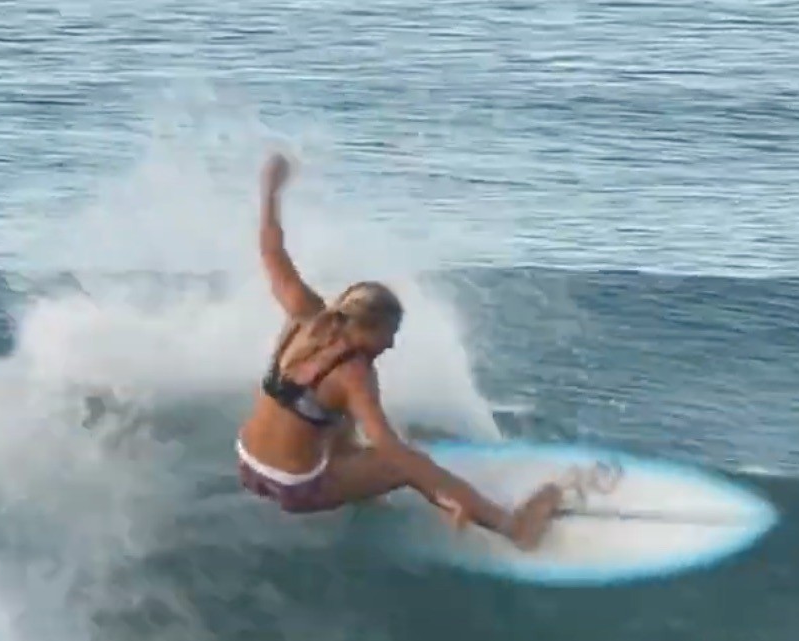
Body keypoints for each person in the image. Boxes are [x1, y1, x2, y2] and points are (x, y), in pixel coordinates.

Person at [235, 152, 565, 548]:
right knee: (407, 462)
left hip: (247, 463)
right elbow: (393, 451)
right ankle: (514, 528)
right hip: (294, 487)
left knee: (334, 418)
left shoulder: (304, 313)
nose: (391, 344)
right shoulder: (355, 373)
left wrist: (270, 187)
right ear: (368, 329)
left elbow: (271, 251)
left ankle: (360, 485)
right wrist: (443, 496)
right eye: (389, 334)